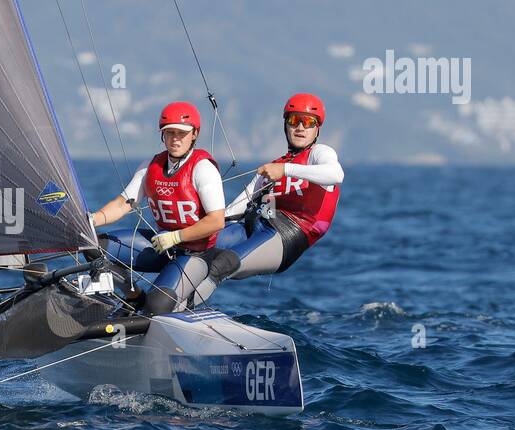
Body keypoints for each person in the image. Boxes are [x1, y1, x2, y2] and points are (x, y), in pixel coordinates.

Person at [170, 92, 343, 308]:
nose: (300, 127)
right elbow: (235, 208)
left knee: (223, 264)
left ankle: (175, 313)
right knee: (192, 248)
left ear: (317, 128)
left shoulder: (319, 154)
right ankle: (150, 301)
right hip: (255, 228)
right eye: (293, 120)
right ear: (285, 125)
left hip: (287, 237)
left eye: (307, 122)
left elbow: (336, 174)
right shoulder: (272, 167)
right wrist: (195, 229)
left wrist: (285, 170)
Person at [89, 101, 225, 314]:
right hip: (161, 246)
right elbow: (123, 203)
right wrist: (92, 220)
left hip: (194, 255)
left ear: (194, 134)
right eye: (169, 132)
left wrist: (176, 237)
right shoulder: (150, 165)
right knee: (94, 246)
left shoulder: (203, 168)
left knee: (156, 308)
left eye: (182, 133)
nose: (175, 138)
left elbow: (217, 220)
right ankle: (134, 297)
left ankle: (165, 302)